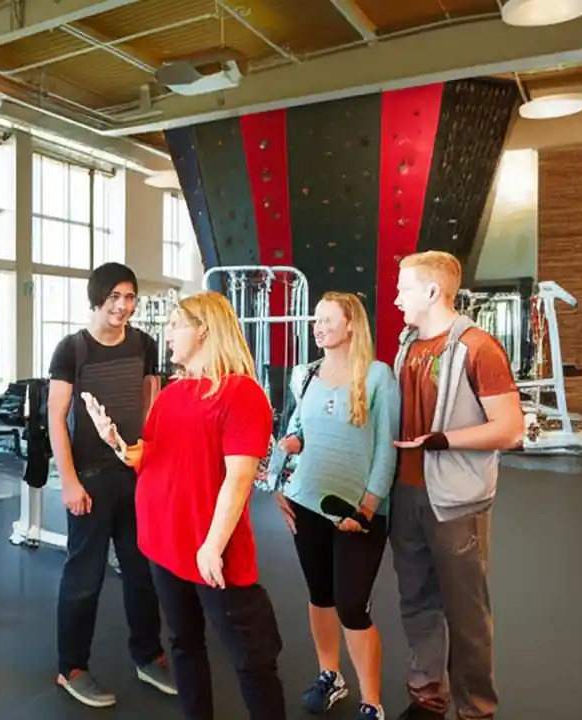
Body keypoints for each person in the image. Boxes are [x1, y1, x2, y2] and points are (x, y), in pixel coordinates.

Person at [85, 290, 286, 720]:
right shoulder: (173, 395)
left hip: (209, 548)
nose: (169, 334)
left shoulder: (241, 393)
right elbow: (149, 457)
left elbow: (239, 477)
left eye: (177, 325)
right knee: (183, 644)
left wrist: (212, 546)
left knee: (252, 659)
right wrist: (116, 442)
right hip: (164, 543)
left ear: (204, 331)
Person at [388, 251, 523, 720]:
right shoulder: (406, 344)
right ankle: (427, 698)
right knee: (416, 601)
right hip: (404, 494)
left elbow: (510, 428)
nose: (396, 297)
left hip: (456, 502)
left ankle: (476, 709)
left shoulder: (478, 347)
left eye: (404, 288)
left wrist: (444, 440)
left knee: (466, 615)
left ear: (431, 291)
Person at [46, 262, 174, 708]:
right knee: (85, 577)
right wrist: (68, 482)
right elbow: (56, 419)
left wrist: (152, 465)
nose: (123, 306)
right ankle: (71, 667)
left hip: (135, 474)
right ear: (97, 299)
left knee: (143, 573)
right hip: (91, 479)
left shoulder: (144, 344)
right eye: (115, 297)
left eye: (130, 297)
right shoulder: (72, 350)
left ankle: (148, 654)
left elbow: (151, 408)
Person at [273, 292, 400, 720]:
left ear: (351, 325)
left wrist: (365, 509)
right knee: (320, 596)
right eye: (316, 320)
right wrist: (277, 476)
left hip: (358, 512)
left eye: (328, 319)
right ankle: (331, 675)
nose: (319, 326)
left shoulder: (379, 376)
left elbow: (386, 451)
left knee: (351, 604)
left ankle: (372, 703)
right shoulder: (303, 374)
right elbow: (296, 433)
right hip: (307, 501)